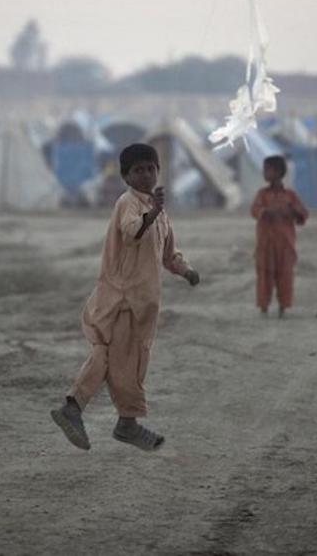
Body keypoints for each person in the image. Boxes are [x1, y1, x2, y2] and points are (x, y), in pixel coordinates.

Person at [51, 143, 199, 452]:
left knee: (129, 361)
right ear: (126, 177)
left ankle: (115, 420)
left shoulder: (161, 214)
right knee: (112, 356)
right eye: (137, 170)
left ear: (158, 171)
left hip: (143, 304)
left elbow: (169, 254)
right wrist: (152, 212)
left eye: (150, 169)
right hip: (120, 300)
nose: (145, 175)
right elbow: (133, 231)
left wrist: (186, 271)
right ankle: (83, 410)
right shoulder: (127, 203)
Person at [250, 155, 309, 318]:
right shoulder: (262, 194)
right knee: (264, 275)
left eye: (267, 170)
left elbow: (303, 215)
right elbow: (254, 210)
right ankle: (264, 307)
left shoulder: (290, 195)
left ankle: (283, 307)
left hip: (285, 244)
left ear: (278, 172)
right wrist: (266, 211)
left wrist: (292, 211)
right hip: (265, 244)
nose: (264, 173)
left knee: (285, 276)